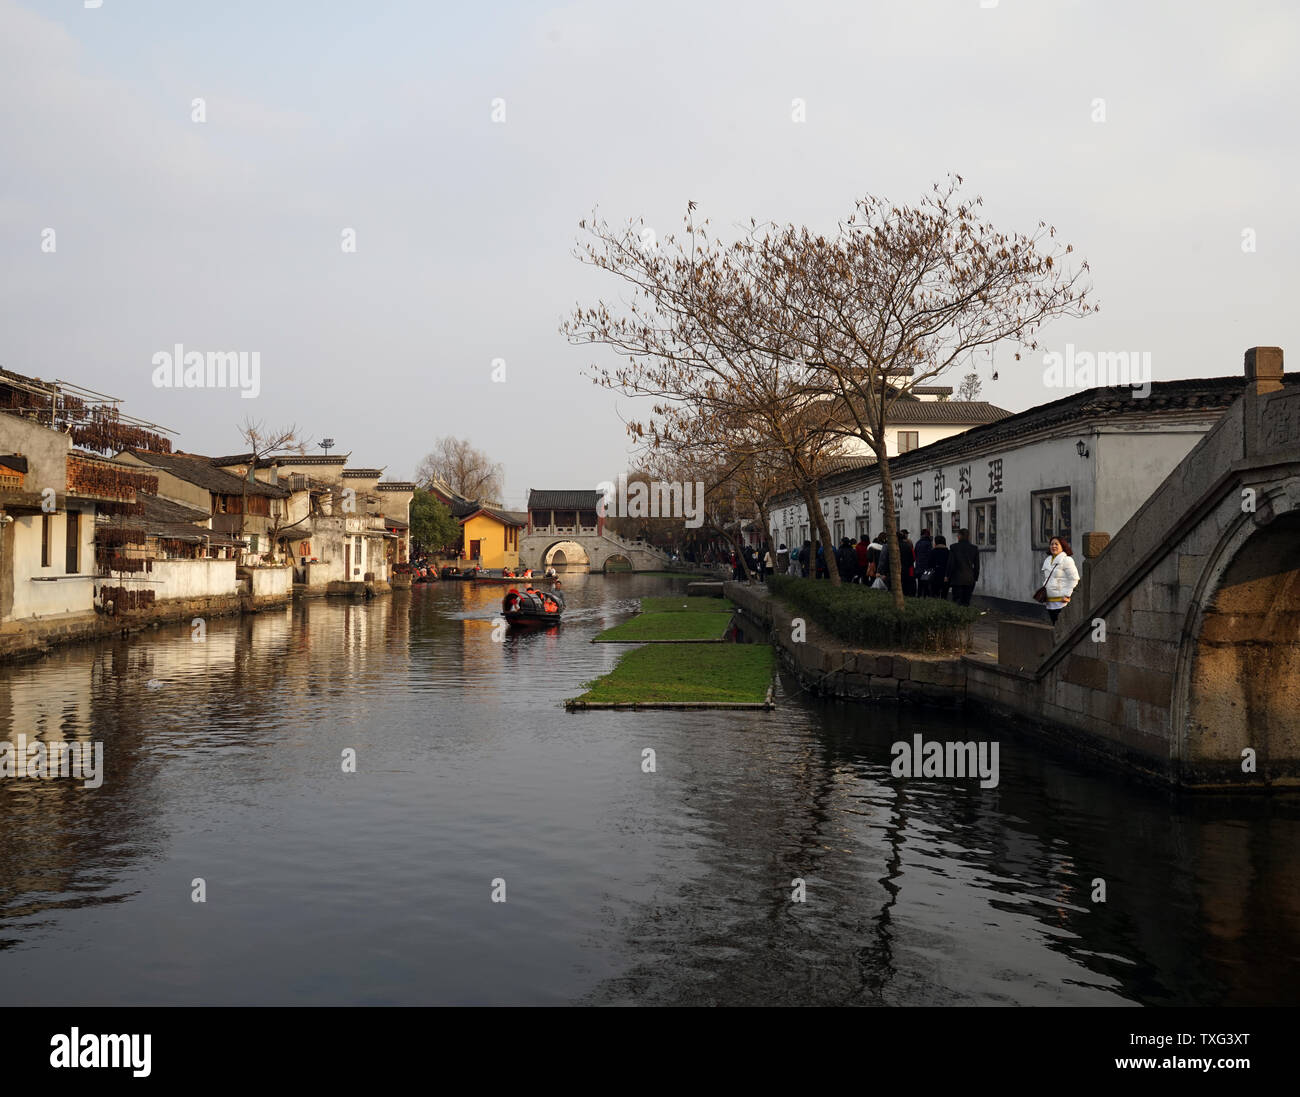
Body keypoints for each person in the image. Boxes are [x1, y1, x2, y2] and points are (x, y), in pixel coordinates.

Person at [1041, 536, 1080, 624]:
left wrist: (1068, 595)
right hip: (1050, 601)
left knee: (1064, 626)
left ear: (1063, 546)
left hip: (1062, 601)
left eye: (1056, 544)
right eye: (1051, 544)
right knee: (1055, 626)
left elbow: (1074, 579)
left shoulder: (1067, 560)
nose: (1053, 546)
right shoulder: (1047, 560)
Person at [946, 527, 980, 606]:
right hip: (969, 579)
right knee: (966, 601)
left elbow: (951, 563)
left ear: (960, 536)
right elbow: (977, 566)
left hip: (957, 579)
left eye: (958, 535)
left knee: (956, 601)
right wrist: (975, 578)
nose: (957, 537)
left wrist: (947, 575)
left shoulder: (954, 547)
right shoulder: (974, 548)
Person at [928, 535, 950, 599]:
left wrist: (926, 577)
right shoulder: (948, 552)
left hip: (934, 577)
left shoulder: (932, 552)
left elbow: (929, 565)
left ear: (936, 543)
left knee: (934, 595)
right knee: (944, 596)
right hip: (945, 577)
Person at [913, 529, 933, 598]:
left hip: (919, 567)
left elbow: (915, 554)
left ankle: (919, 597)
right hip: (927, 568)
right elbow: (930, 555)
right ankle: (925, 597)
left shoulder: (918, 543)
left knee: (920, 584)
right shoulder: (928, 543)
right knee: (926, 584)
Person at [898, 530, 916, 597]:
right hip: (907, 568)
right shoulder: (908, 545)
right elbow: (912, 558)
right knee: (907, 585)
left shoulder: (894, 546)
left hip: (899, 568)